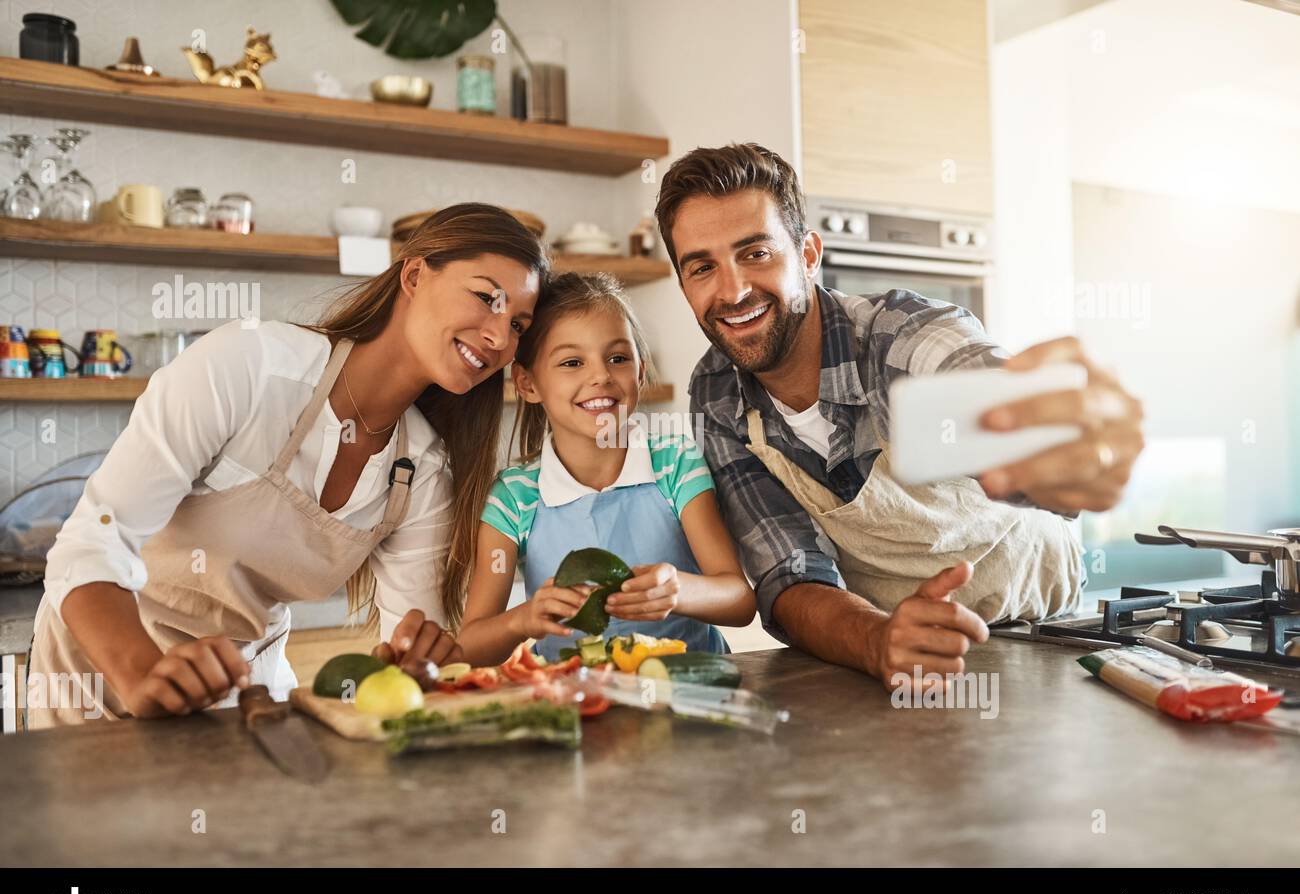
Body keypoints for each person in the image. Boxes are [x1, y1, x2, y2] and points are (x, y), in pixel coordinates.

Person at [25, 204, 545, 728]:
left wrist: (418, 657)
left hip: (241, 689)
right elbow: (90, 545)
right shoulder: (249, 367)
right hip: (100, 669)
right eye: (486, 298)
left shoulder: (423, 470)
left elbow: (411, 645)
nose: (500, 338)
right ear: (413, 274)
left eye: (519, 324)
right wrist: (144, 677)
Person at [654, 143, 1145, 689]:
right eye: (702, 267)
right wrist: (878, 642)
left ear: (809, 255)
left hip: (1043, 641)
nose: (734, 290)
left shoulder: (899, 338)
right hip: (886, 659)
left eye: (756, 253)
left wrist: (1054, 437)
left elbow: (969, 372)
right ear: (683, 284)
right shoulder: (716, 394)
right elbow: (787, 574)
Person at [458, 272, 754, 664]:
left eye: (617, 358)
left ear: (640, 373)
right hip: (573, 702)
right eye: (572, 362)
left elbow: (738, 599)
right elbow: (472, 644)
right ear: (527, 384)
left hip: (687, 689)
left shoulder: (675, 462)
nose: (600, 376)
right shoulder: (514, 497)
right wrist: (523, 621)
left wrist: (678, 590)